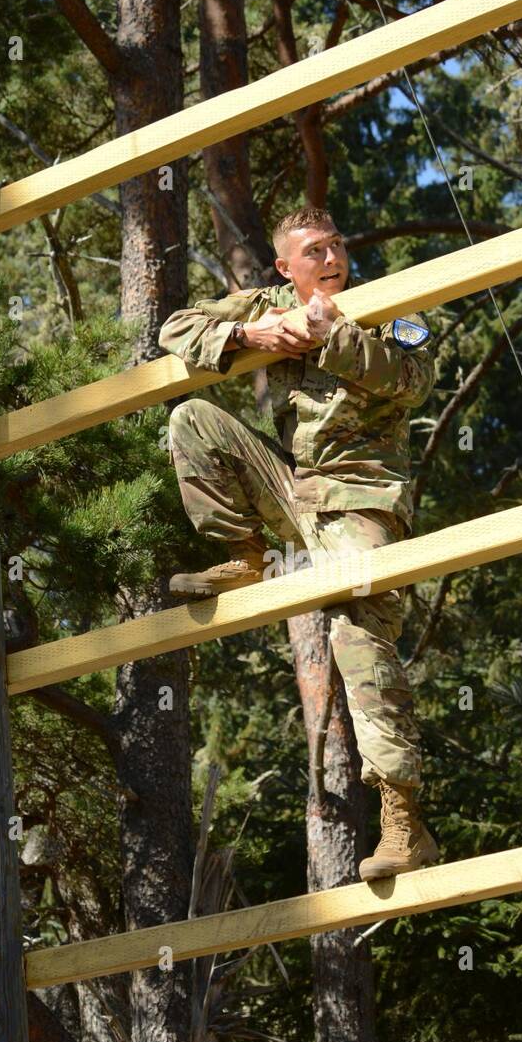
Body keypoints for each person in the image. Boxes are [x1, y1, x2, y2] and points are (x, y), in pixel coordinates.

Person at [157, 206, 438, 881]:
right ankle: (243, 553)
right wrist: (249, 332)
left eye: (337, 244)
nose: (331, 257)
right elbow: (174, 329)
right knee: (192, 417)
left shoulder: (384, 305)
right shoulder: (270, 302)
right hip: (289, 484)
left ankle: (402, 815)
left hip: (360, 491)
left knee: (357, 628)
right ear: (285, 267)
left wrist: (333, 337)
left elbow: (414, 381)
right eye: (313, 250)